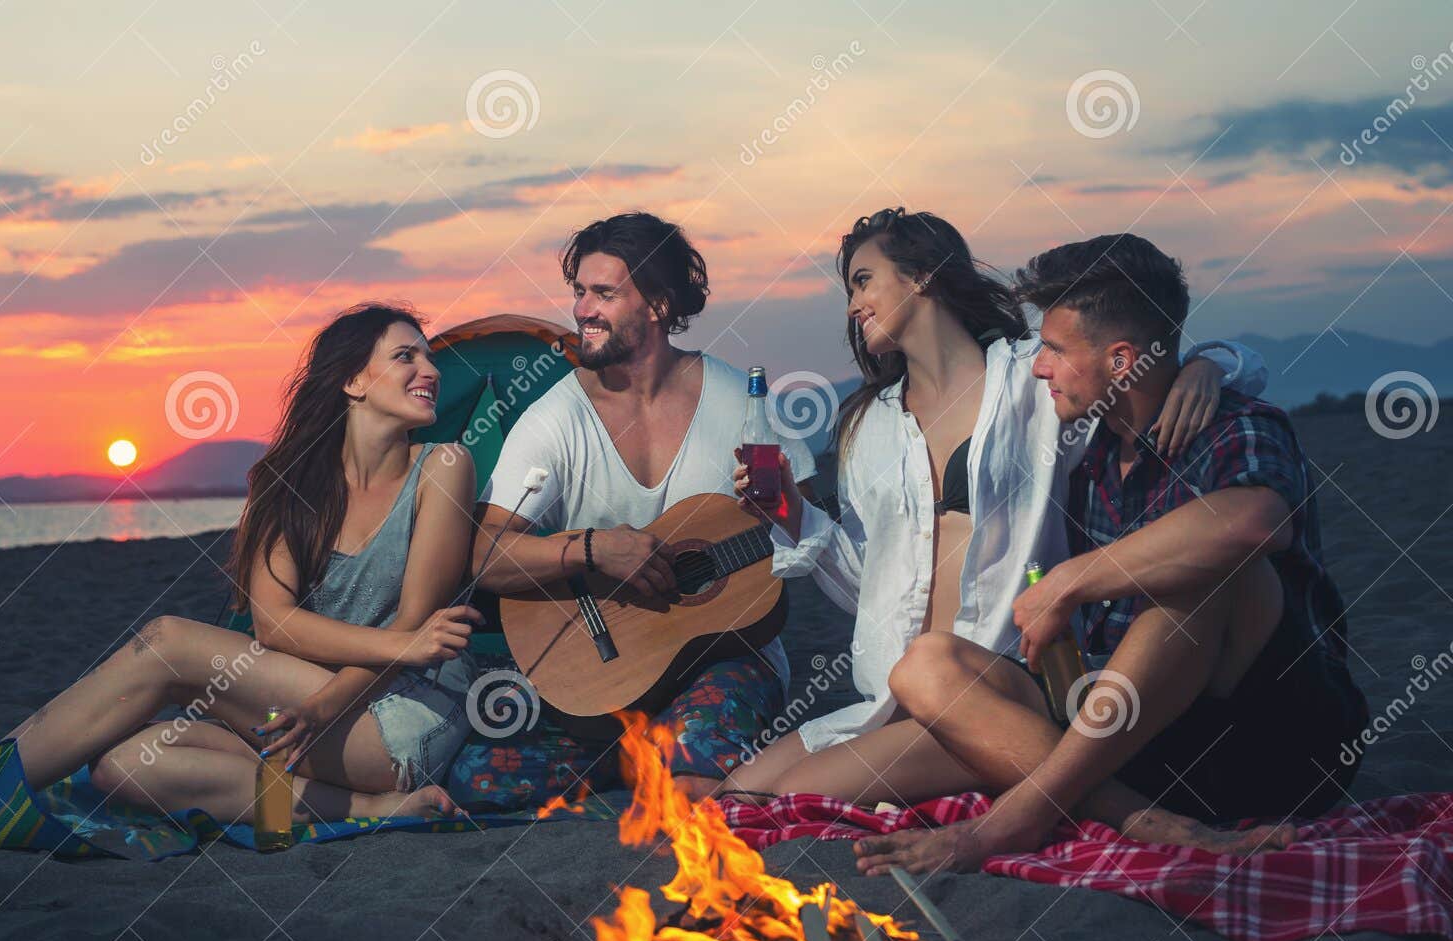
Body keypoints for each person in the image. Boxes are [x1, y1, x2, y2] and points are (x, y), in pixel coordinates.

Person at [720, 209, 1265, 834]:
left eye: (864, 280)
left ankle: (1124, 812)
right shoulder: (865, 426)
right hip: (896, 692)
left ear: (923, 275)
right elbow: (869, 589)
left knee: (794, 797)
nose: (853, 304)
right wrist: (792, 512)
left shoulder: (1030, 376)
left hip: (1003, 675)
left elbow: (1138, 353)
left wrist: (1209, 366)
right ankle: (1044, 781)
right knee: (738, 794)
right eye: (850, 289)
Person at [0, 303, 484, 836]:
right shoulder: (289, 487)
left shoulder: (443, 467)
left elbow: (414, 626)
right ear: (353, 380)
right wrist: (327, 696)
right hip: (313, 716)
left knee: (168, 641)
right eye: (407, 356)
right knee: (125, 766)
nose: (430, 370)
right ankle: (370, 811)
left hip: (400, 719)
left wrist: (322, 706)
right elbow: (276, 627)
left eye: (428, 358)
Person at [853, 234, 1368, 874]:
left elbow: (1254, 523)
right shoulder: (1088, 449)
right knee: (926, 665)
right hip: (1138, 747)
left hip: (1267, 746)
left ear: (1121, 361)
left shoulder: (1237, 426)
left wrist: (1070, 581)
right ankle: (1139, 818)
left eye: (1054, 349)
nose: (1038, 366)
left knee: (1210, 571)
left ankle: (1011, 822)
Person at [457, 211, 816, 803]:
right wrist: (594, 549)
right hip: (603, 673)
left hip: (721, 661)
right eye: (579, 292)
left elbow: (807, 523)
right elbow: (484, 554)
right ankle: (641, 750)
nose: (581, 311)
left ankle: (645, 758)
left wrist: (785, 506)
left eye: (604, 293)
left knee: (696, 778)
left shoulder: (736, 400)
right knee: (480, 779)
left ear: (658, 305)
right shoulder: (557, 416)